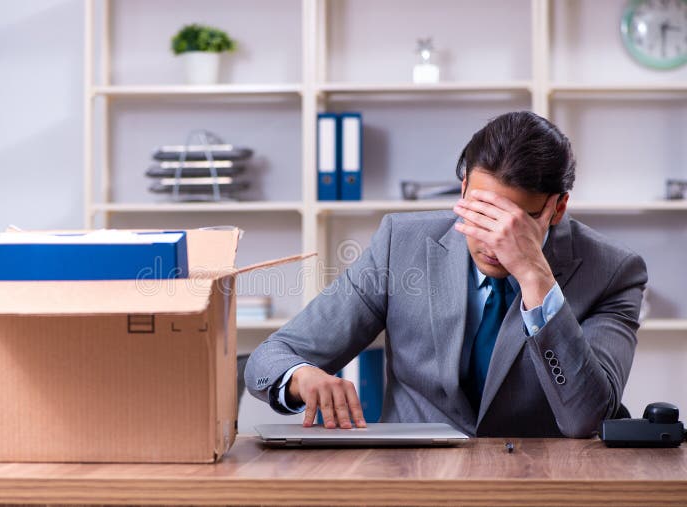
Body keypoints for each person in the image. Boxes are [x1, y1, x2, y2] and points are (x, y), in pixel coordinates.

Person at [244, 111, 647, 438]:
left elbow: (586, 418)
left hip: (541, 486)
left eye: (514, 223)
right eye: (479, 212)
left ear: (557, 209)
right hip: (415, 484)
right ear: (463, 188)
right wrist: (303, 376)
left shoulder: (613, 272)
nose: (492, 240)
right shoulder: (400, 244)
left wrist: (535, 277)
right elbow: (267, 360)